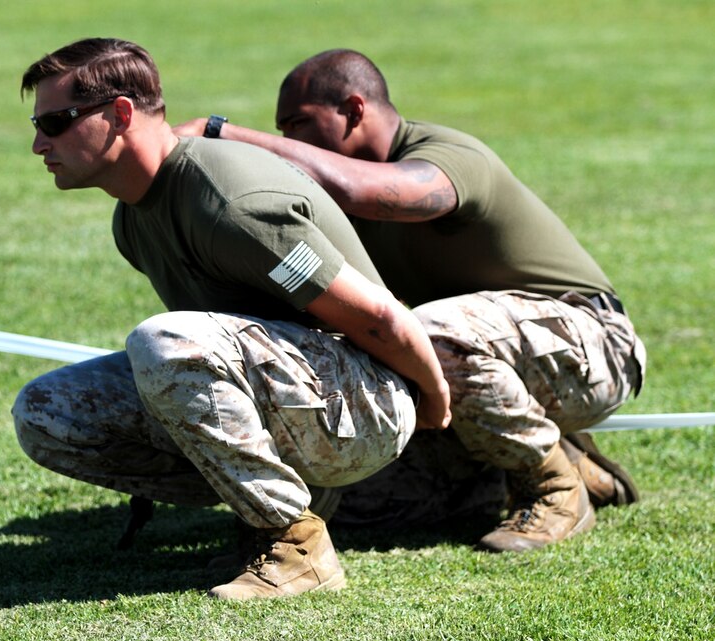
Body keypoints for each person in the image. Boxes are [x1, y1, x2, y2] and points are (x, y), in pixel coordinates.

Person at [11, 38, 451, 600]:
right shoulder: (132, 221)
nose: (37, 143)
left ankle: (297, 545)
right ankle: (270, 508)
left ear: (121, 114)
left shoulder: (229, 202)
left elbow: (376, 318)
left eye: (55, 121)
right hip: (306, 395)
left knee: (164, 340)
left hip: (367, 406)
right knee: (45, 412)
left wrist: (434, 400)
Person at [175, 49, 647, 552]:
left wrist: (223, 133)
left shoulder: (449, 155)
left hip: (594, 345)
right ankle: (545, 467)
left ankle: (555, 486)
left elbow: (366, 191)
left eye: (298, 124)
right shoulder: (334, 204)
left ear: (354, 111)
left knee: (428, 330)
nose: (290, 142)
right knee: (349, 502)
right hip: (475, 367)